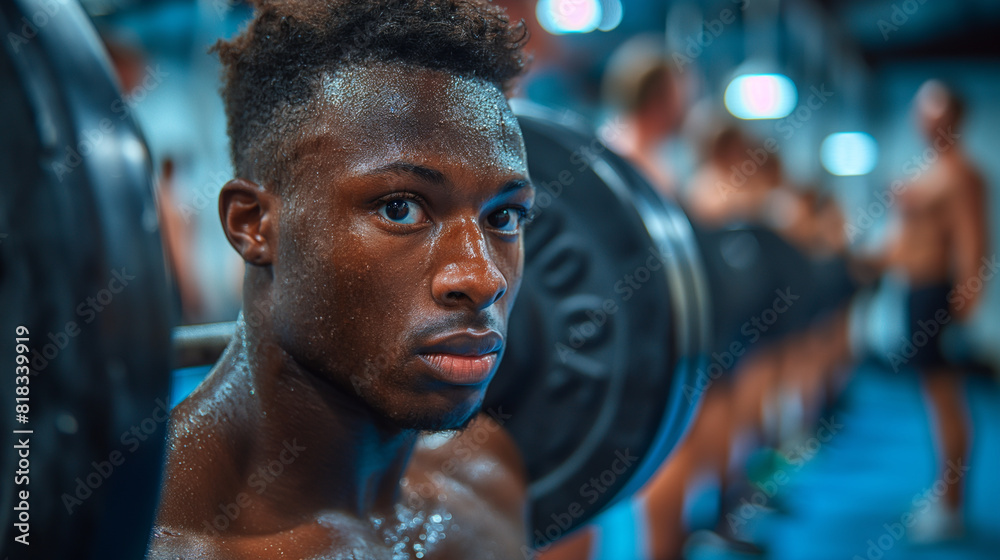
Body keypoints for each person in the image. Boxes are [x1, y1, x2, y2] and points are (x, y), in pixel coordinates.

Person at [148, 1, 536, 558]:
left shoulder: (485, 477)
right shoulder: (139, 539)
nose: (482, 278)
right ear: (252, 225)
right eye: (401, 209)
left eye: (503, 217)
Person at [875, 80, 987, 540]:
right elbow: (904, 244)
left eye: (934, 112)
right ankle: (942, 492)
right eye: (921, 111)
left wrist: (966, 299)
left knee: (946, 400)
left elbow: (974, 241)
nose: (925, 120)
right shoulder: (928, 171)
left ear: (954, 118)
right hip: (916, 293)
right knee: (932, 398)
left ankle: (952, 505)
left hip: (939, 296)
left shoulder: (962, 174)